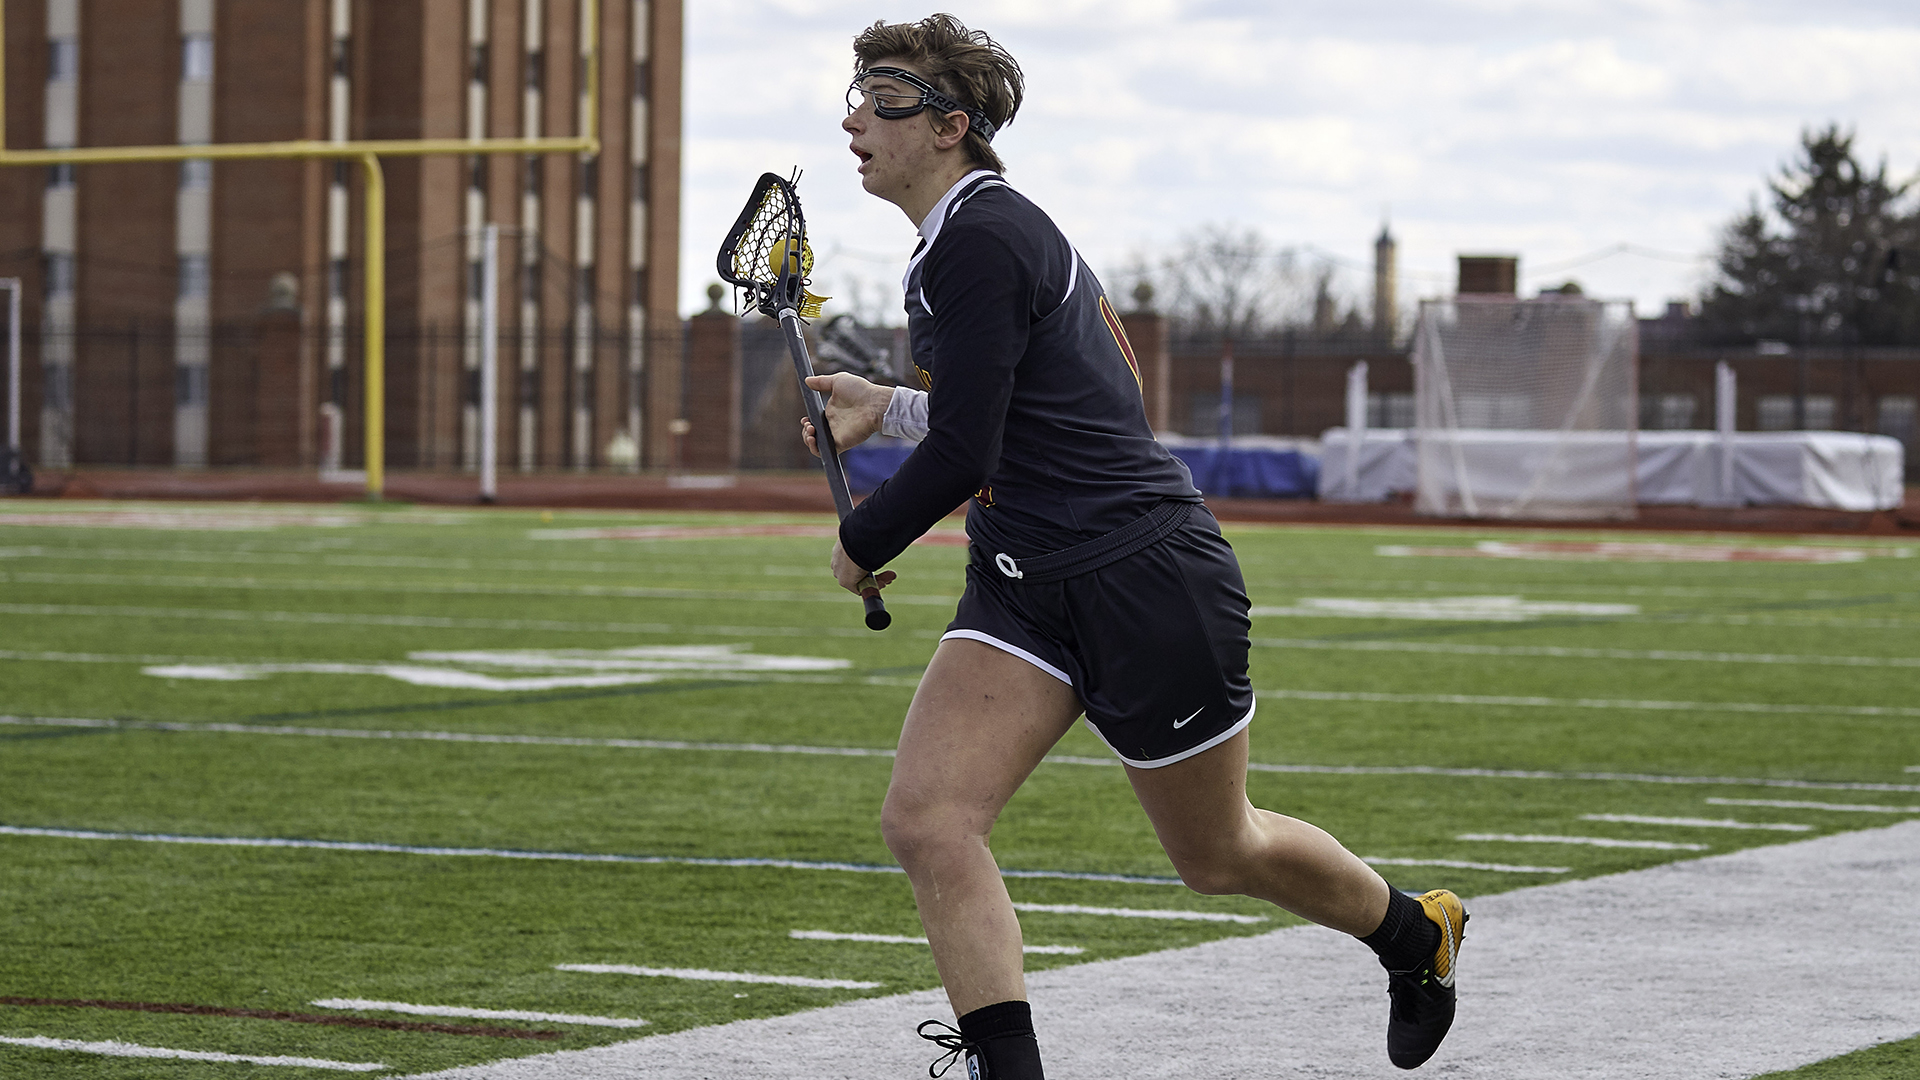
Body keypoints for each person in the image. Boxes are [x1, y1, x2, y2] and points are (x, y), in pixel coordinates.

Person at [801, 15, 1467, 1077]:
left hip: (1140, 578)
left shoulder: (981, 236)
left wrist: (865, 534)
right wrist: (886, 408)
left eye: (884, 97)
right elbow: (1030, 412)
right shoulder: (964, 239)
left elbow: (974, 441)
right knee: (929, 821)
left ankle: (1410, 933)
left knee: (1218, 853)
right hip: (1024, 583)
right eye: (855, 92)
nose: (854, 118)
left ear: (950, 127)